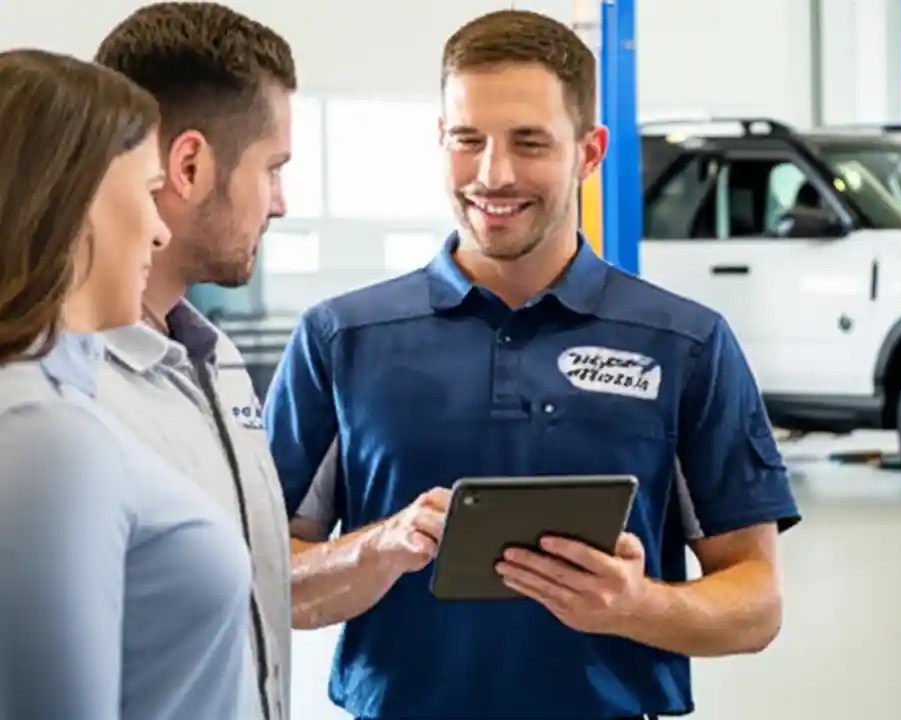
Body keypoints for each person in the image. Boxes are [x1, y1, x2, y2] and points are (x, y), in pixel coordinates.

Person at [265, 9, 801, 720]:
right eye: (468, 140)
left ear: (589, 152)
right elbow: (263, 583)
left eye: (530, 143)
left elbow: (756, 602)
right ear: (440, 142)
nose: (494, 174)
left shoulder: (686, 344)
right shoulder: (341, 339)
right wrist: (376, 550)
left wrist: (637, 605)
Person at [0, 48, 253, 719]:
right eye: (146, 193)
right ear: (74, 198)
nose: (161, 231)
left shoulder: (53, 407)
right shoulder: (44, 434)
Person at [89, 4, 298, 720]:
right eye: (272, 169)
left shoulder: (219, 360)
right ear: (189, 165)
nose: (280, 202)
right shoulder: (64, 394)